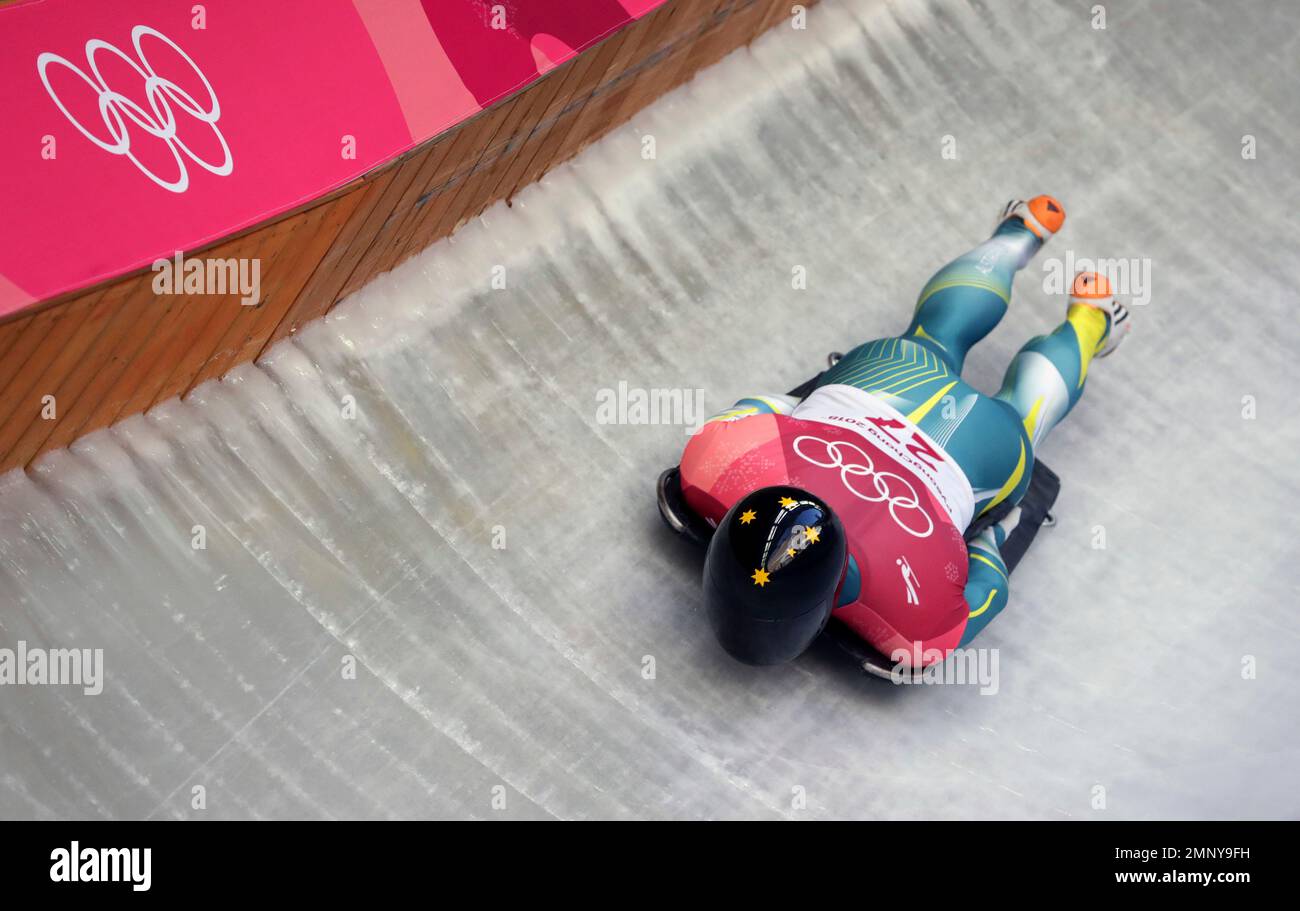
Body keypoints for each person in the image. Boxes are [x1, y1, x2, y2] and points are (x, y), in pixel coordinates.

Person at [679, 196, 1131, 666]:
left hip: (970, 457)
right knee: (934, 335)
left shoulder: (911, 626)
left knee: (1019, 417)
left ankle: (1087, 322)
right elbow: (768, 406)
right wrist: (809, 412)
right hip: (884, 385)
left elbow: (989, 587)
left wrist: (992, 536)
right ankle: (1028, 243)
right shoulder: (710, 472)